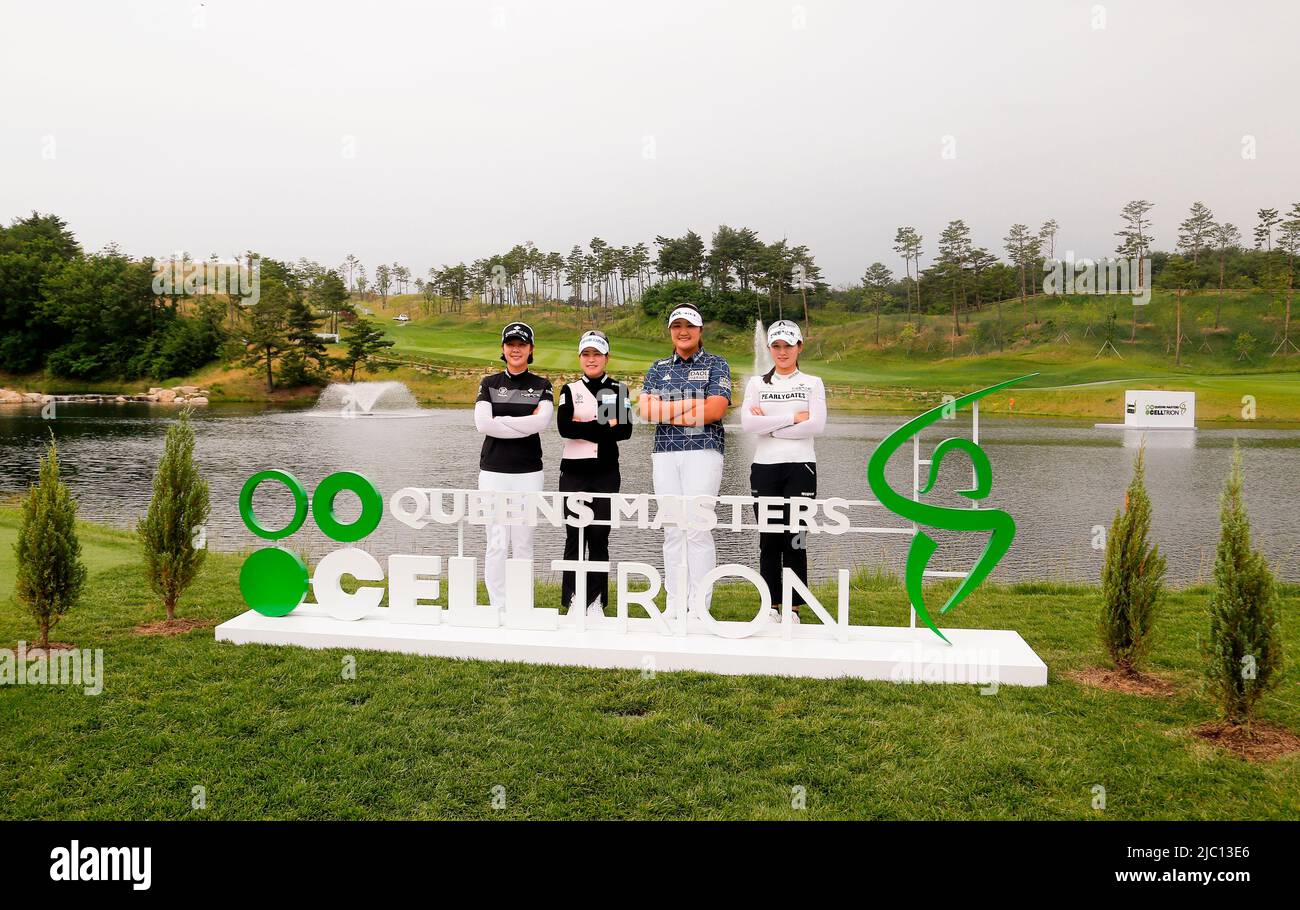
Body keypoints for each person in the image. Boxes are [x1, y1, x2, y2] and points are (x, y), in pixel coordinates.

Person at [637, 303, 732, 620]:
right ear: (670, 331)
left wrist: (667, 409)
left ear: (700, 330)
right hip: (665, 454)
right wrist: (692, 404)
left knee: (697, 529)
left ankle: (699, 606)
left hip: (704, 452)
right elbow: (646, 411)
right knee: (673, 529)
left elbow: (715, 410)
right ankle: (675, 602)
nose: (683, 331)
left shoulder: (717, 364)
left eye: (689, 326)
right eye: (677, 326)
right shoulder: (658, 367)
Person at [739, 319, 827, 623]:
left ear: (799, 347)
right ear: (769, 348)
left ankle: (792, 608)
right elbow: (748, 424)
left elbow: (816, 425)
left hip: (800, 467)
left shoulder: (812, 383)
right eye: (776, 346)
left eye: (788, 345)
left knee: (795, 538)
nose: (782, 351)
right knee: (769, 539)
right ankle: (770, 606)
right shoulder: (757, 384)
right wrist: (792, 418)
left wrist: (770, 426)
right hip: (765, 468)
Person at [473, 321, 554, 611]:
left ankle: (520, 604)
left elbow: (541, 423)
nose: (516, 349)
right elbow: (482, 424)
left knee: (522, 542)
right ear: (503, 348)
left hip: (528, 472)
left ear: (531, 349)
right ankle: (498, 604)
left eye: (522, 344)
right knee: (496, 541)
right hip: (493, 471)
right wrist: (523, 424)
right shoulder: (489, 383)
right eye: (511, 344)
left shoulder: (542, 385)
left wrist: (501, 421)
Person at [556, 330, 633, 618]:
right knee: (574, 536)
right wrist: (603, 425)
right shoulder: (570, 390)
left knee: (599, 537)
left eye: (597, 354)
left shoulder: (616, 390)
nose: (591, 359)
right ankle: (574, 599)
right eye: (586, 354)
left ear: (606, 357)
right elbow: (565, 428)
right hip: (573, 473)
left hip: (605, 473)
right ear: (580, 357)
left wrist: (584, 425)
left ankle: (595, 600)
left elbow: (624, 431)